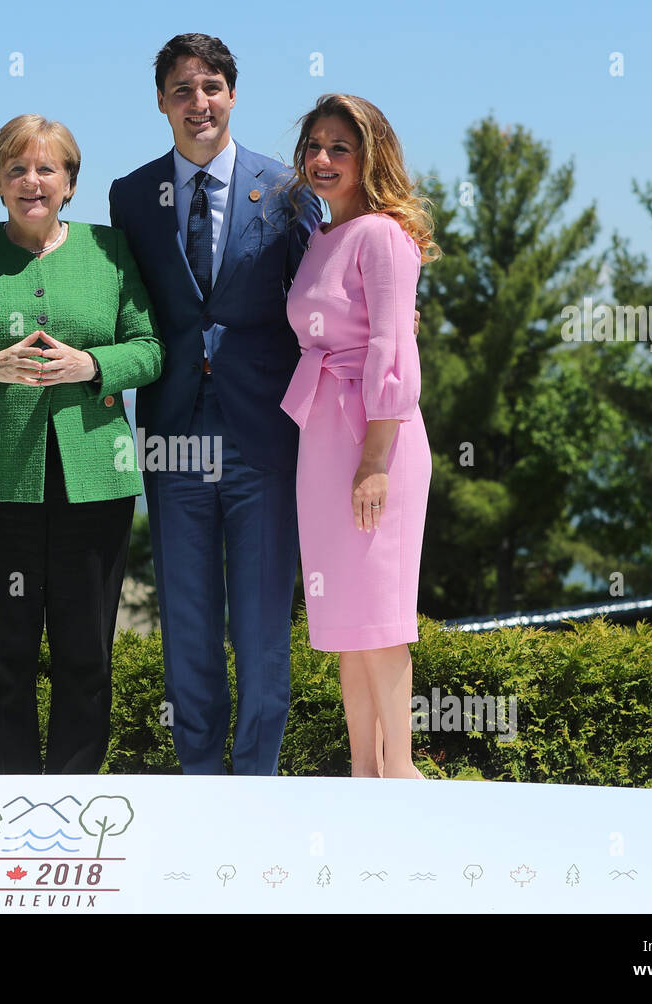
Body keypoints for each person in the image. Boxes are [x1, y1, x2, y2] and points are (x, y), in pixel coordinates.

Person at [109, 34, 418, 775]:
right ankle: (199, 778)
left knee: (261, 625)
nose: (198, 103)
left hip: (270, 439)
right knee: (186, 622)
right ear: (160, 101)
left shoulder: (287, 192)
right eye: (181, 89)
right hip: (173, 438)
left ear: (233, 95)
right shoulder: (129, 196)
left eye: (211, 86)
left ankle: (258, 783)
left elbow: (329, 300)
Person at [0, 114, 163, 774]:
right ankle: (12, 799)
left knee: (86, 656)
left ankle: (73, 801)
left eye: (47, 168)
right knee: (5, 656)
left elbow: (151, 349)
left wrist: (93, 367)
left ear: (71, 183)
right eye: (16, 168)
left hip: (93, 485)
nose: (32, 181)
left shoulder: (110, 251)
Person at [278, 94, 440, 779]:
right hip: (320, 437)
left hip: (378, 440)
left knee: (381, 613)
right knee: (346, 620)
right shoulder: (320, 238)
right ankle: (361, 773)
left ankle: (399, 773)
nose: (321, 159)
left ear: (370, 157)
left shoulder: (383, 236)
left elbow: (392, 349)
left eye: (339, 148)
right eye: (314, 146)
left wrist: (374, 461)